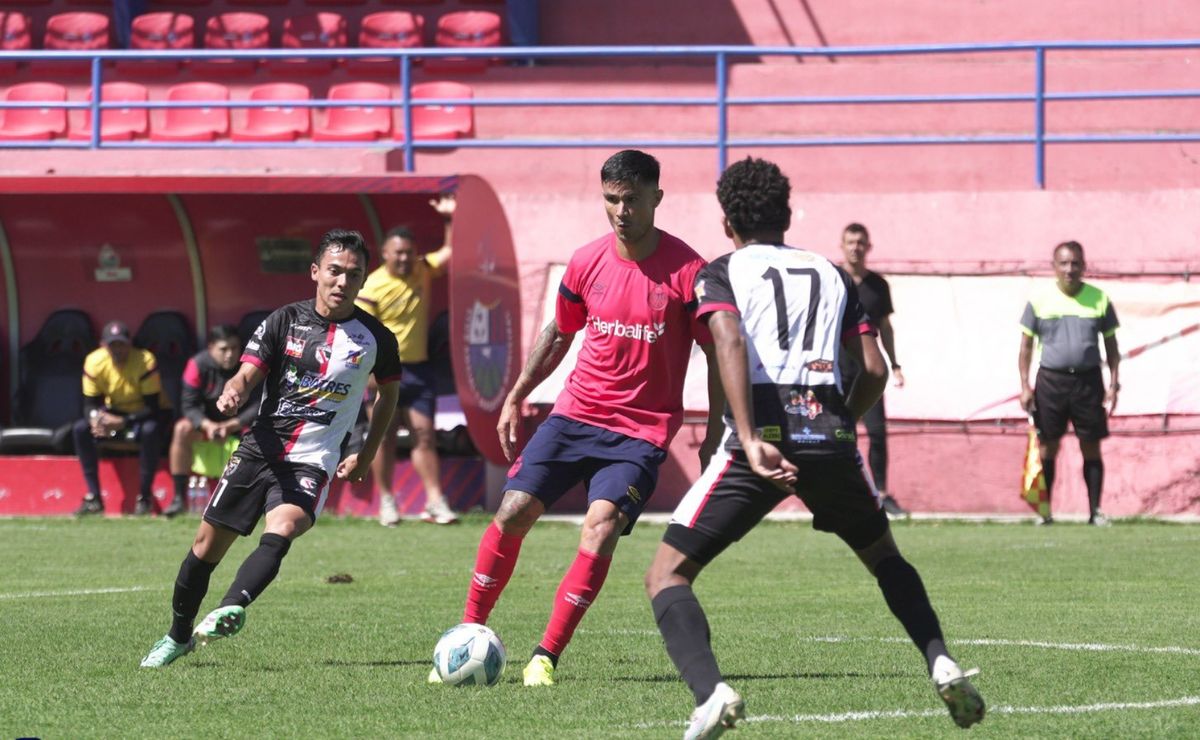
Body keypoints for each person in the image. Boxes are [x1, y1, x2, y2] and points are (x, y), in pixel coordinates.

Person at [644, 157, 985, 739]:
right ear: (787, 213)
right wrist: (838, 425)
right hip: (831, 439)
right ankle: (941, 661)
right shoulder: (832, 274)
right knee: (885, 559)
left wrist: (749, 438)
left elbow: (725, 338)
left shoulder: (721, 271)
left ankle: (711, 694)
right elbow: (874, 369)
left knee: (668, 575)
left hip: (759, 446)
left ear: (727, 221)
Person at [434, 149, 724, 687]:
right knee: (514, 510)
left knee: (601, 526)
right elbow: (559, 332)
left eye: (632, 199)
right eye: (612, 199)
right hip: (576, 415)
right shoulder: (588, 260)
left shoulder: (689, 272)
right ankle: (467, 634)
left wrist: (713, 433)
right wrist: (519, 392)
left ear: (656, 198)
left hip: (639, 432)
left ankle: (545, 655)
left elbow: (717, 352)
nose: (621, 210)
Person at [139, 229, 402, 668]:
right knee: (205, 547)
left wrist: (367, 452)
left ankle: (231, 607)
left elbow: (389, 395)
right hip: (260, 449)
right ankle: (178, 635)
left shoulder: (376, 338)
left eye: (353, 275)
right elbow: (246, 372)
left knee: (284, 526)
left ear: (363, 281)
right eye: (334, 271)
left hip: (313, 459)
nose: (342, 282)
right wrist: (233, 391)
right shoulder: (284, 320)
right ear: (315, 272)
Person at [356, 195, 459, 526]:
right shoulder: (372, 285)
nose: (403, 258)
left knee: (424, 435)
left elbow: (449, 253)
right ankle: (387, 501)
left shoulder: (422, 269)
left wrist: (449, 219)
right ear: (385, 253)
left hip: (418, 368)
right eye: (396, 253)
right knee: (383, 436)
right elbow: (362, 335)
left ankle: (434, 501)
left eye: (407, 253)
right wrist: (367, 373)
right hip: (382, 371)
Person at [1018, 240, 1120, 526]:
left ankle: (1095, 512)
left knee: (1091, 445)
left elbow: (1111, 346)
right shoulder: (1039, 300)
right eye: (1063, 263)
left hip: (1088, 381)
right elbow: (1025, 347)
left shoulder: (1099, 299)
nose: (1070, 269)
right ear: (1054, 267)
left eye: (1075, 263)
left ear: (1084, 266)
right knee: (1047, 446)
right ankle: (1045, 514)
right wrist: (1025, 386)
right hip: (1051, 381)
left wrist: (1114, 383)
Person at [838, 223, 908, 517]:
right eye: (851, 242)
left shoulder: (878, 286)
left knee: (877, 433)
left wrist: (895, 365)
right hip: (837, 370)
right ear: (842, 246)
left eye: (861, 242)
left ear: (869, 247)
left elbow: (886, 328)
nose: (856, 247)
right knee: (838, 433)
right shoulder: (833, 279)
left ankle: (880, 493)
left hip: (870, 371)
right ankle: (839, 492)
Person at [162, 325, 262, 518]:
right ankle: (178, 498)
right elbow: (188, 406)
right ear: (211, 348)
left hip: (240, 426)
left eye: (234, 348)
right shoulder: (197, 364)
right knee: (182, 428)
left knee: (263, 432)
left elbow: (260, 404)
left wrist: (232, 424)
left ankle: (252, 501)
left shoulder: (249, 365)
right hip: (208, 426)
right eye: (223, 349)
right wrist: (208, 425)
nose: (230, 354)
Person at [74, 320, 164, 516]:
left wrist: (123, 422)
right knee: (80, 429)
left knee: (151, 429)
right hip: (112, 412)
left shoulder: (145, 360)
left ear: (129, 344)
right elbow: (89, 404)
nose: (117, 349)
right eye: (112, 345)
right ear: (103, 345)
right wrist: (95, 420)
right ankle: (94, 497)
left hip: (141, 414)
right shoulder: (94, 361)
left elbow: (153, 408)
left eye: (121, 344)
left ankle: (144, 497)